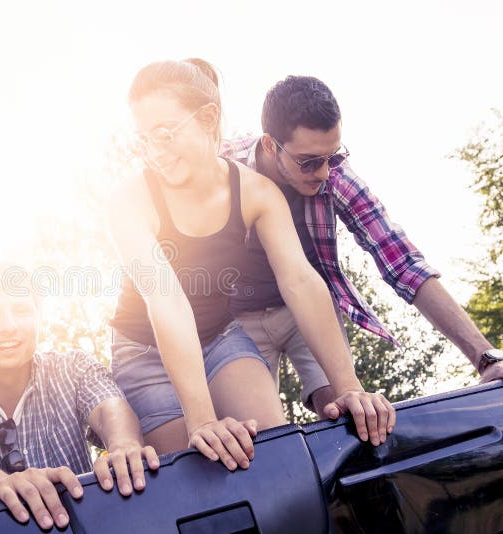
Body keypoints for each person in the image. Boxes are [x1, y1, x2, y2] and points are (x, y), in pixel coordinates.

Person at [106, 58, 395, 472]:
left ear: (208, 118)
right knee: (199, 471)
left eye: (165, 134)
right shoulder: (129, 201)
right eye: (144, 140)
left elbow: (300, 281)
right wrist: (202, 419)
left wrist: (349, 387)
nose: (155, 153)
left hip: (220, 338)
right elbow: (165, 300)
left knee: (272, 457)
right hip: (145, 351)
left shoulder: (256, 193)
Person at [219, 75, 503, 416]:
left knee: (343, 410)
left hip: (307, 308)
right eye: (309, 161)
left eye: (332, 156)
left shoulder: (336, 175)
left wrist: (484, 357)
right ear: (269, 145)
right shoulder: (221, 170)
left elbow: (401, 261)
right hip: (237, 317)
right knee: (258, 432)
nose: (323, 172)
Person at [0, 263, 159, 531]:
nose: (8, 326)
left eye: (22, 310)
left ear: (39, 319)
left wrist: (124, 444)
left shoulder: (73, 367)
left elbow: (110, 406)